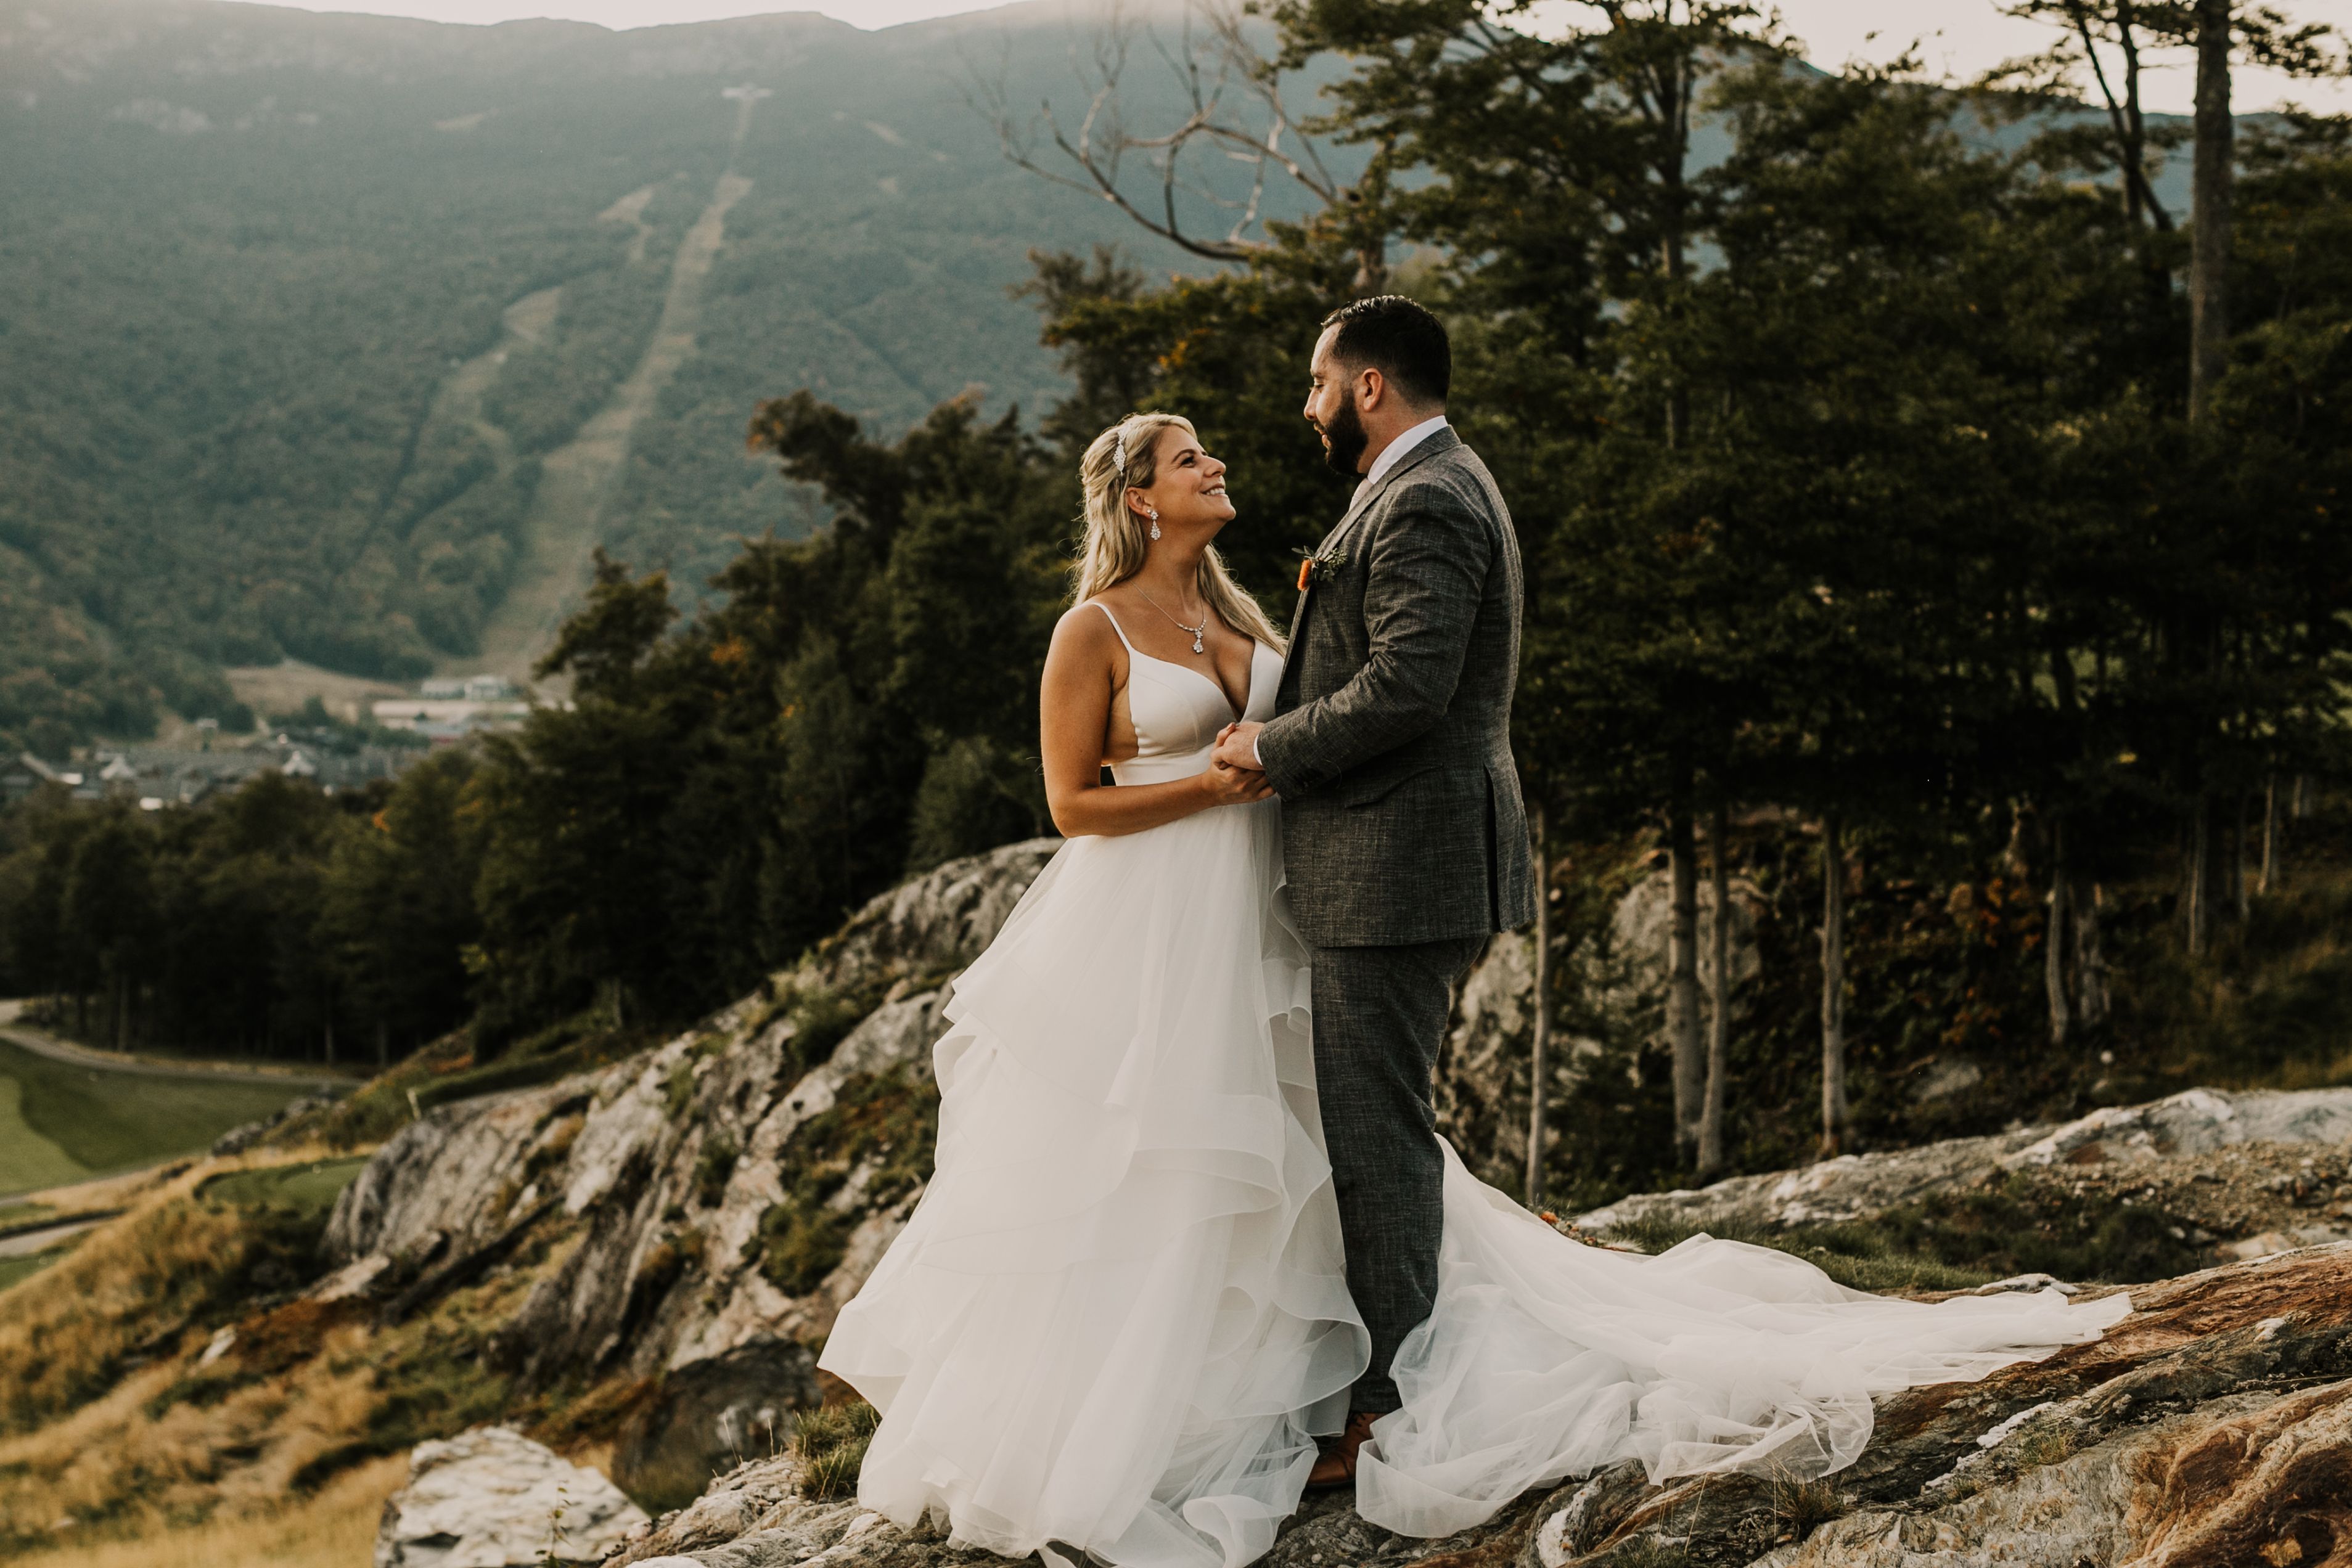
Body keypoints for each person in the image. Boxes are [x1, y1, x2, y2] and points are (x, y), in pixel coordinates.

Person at [816, 299, 2127, 1568]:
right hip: (1195, 915)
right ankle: (1268, 1378)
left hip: (1378, 876)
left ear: (1369, 386)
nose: (1288, 418)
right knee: (1259, 1146)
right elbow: (1072, 799)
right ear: (1139, 499)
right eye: (1191, 452)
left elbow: (1404, 689)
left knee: (1366, 1134)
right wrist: (1235, 775)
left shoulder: (1422, 500)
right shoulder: (1148, 604)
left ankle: (1390, 1387)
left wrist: (1263, 749)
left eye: (1319, 386)